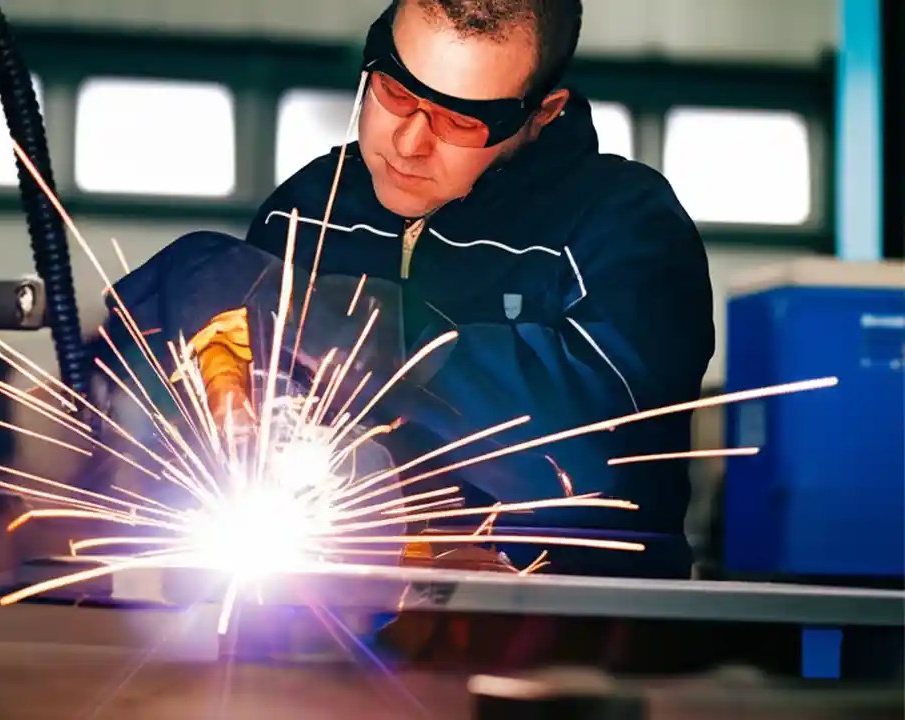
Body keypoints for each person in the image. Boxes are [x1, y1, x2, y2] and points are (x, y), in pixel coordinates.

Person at [236, 0, 716, 579]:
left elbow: (602, 451)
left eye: (460, 120)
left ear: (540, 114)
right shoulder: (310, 208)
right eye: (394, 90)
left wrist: (394, 345)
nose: (410, 143)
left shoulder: (626, 225)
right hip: (327, 620)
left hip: (574, 642)